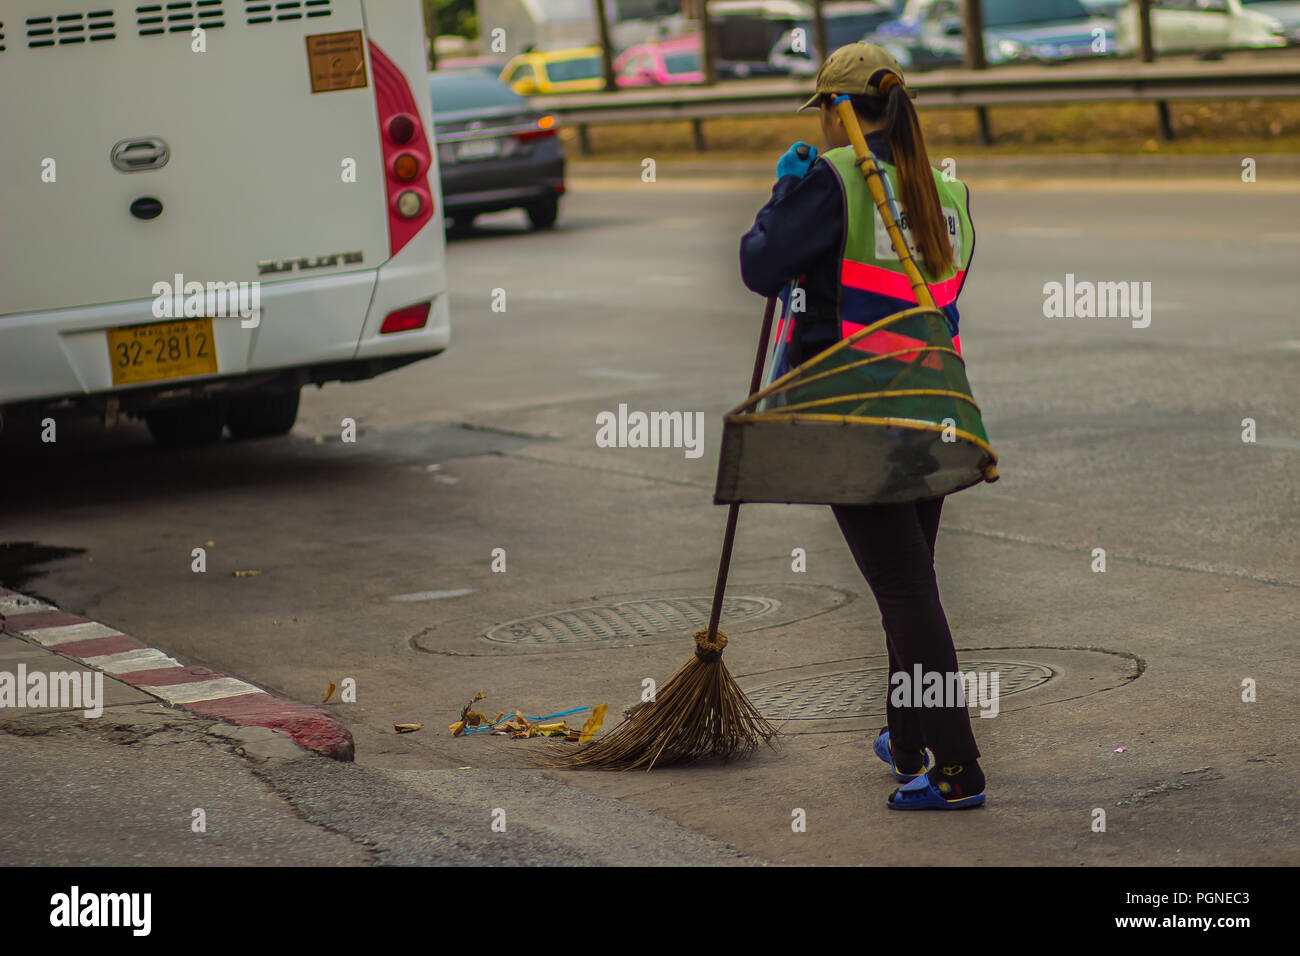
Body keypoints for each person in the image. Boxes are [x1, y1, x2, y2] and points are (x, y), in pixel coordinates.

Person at [738, 43, 985, 810]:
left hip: (858, 415)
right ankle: (906, 741)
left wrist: (784, 196)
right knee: (910, 587)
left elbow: (759, 266)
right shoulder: (948, 190)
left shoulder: (832, 180)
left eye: (826, 114)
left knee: (905, 591)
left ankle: (955, 768)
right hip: (937, 410)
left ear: (840, 109)